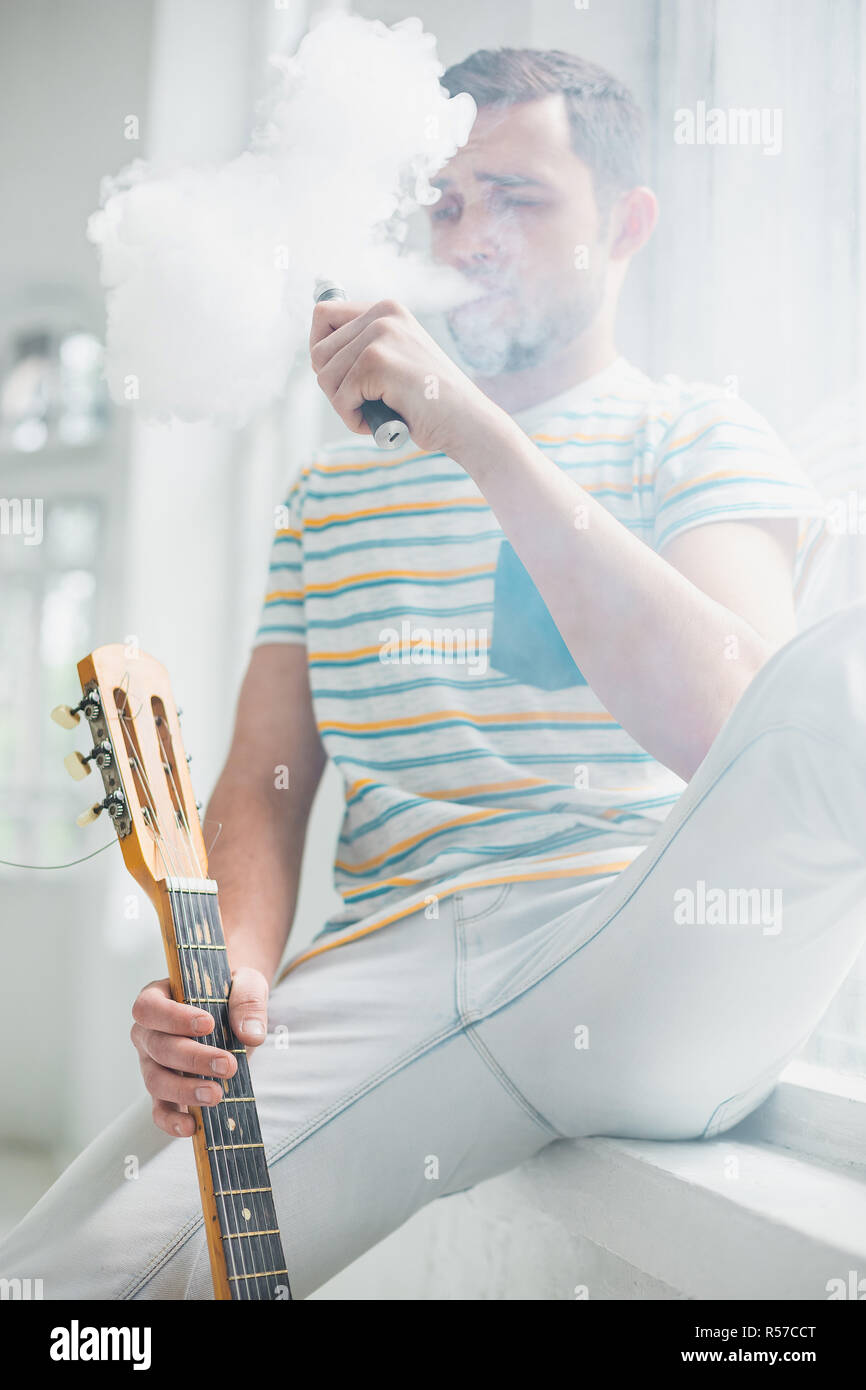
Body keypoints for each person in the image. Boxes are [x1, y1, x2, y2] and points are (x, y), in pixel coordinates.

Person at [3, 47, 865, 1302]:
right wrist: (229, 968)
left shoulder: (691, 434)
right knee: (62, 1267)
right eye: (445, 201)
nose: (471, 237)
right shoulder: (328, 495)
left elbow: (740, 733)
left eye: (518, 199)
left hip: (633, 932)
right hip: (397, 956)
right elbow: (264, 778)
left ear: (625, 227)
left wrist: (474, 432)